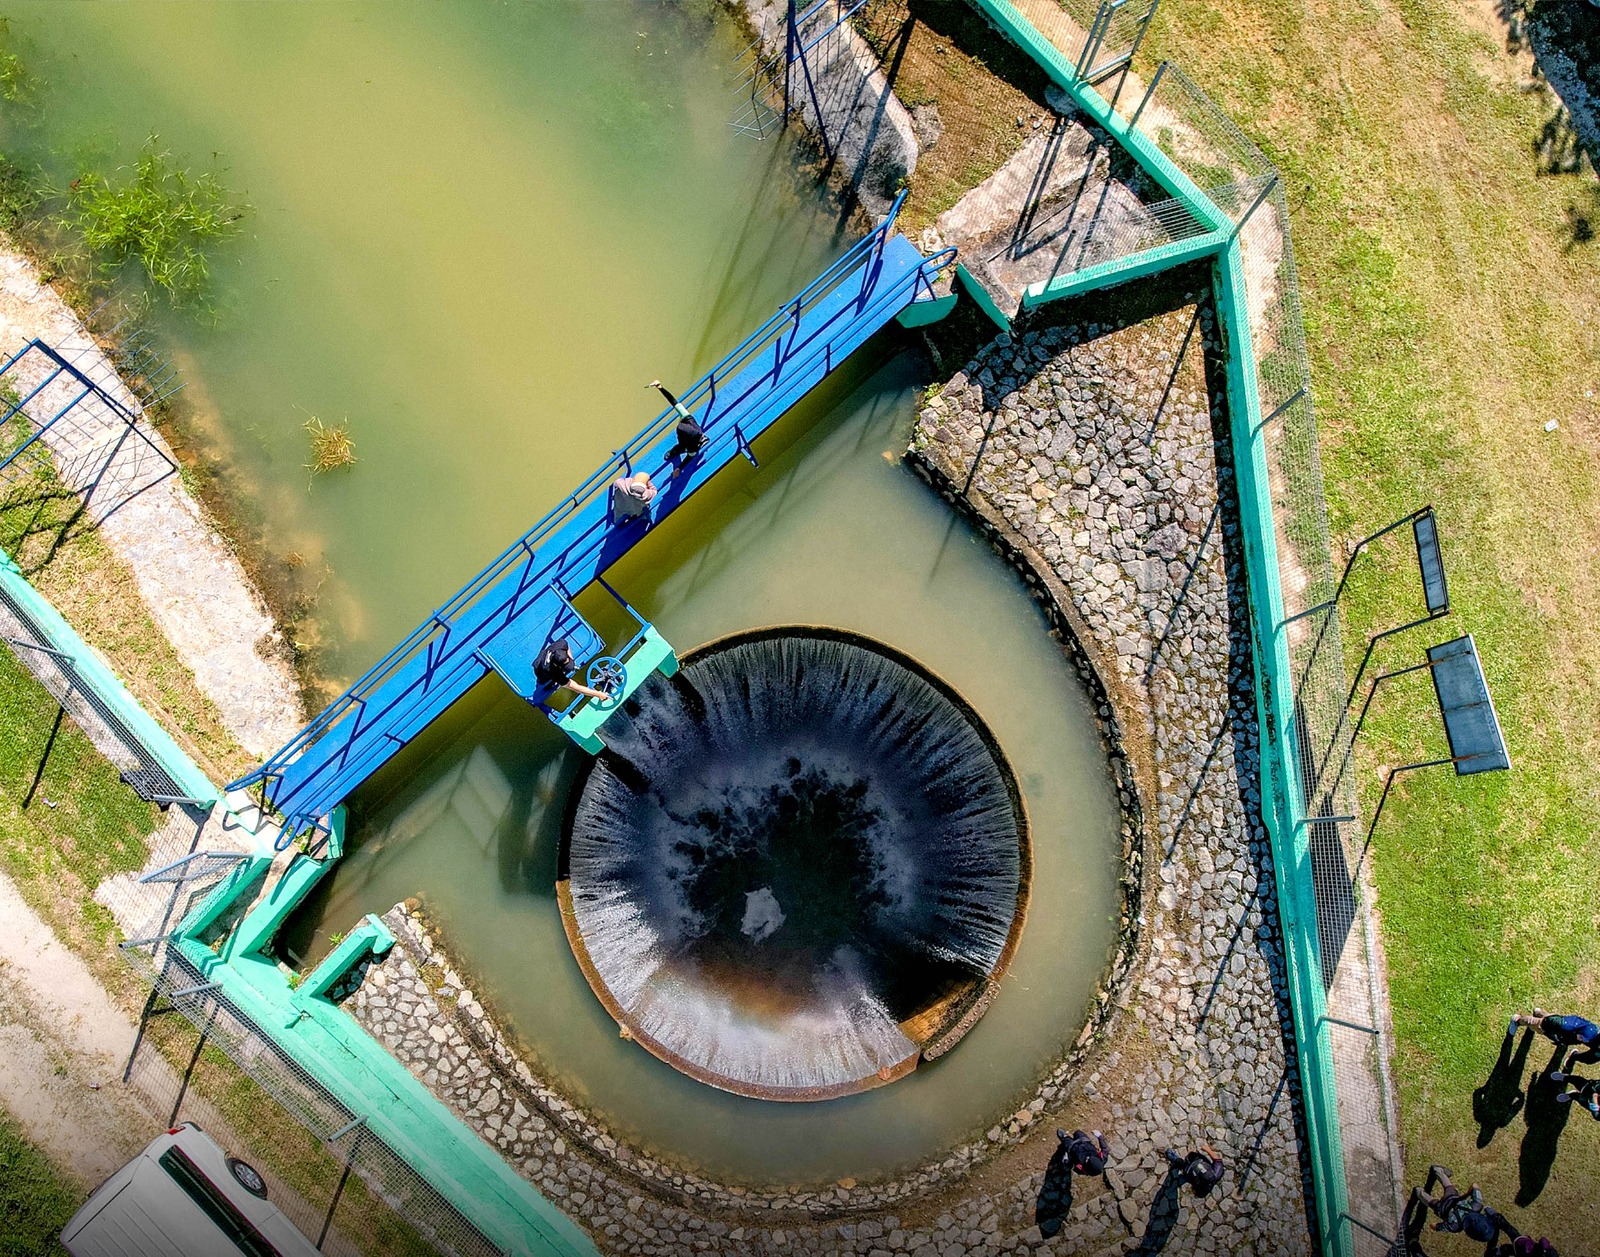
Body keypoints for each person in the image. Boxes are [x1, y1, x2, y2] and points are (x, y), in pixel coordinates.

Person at [1402, 1164, 1498, 1248]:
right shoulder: (1454, 1227)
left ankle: (1437, 1170)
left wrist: (1466, 1195)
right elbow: (1435, 1226)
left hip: (1452, 1197)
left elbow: (1475, 1186)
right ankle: (1418, 1191)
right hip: (1441, 1209)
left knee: (1448, 1186)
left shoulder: (1477, 1205)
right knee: (1427, 1199)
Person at [649, 379, 707, 474]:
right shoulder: (686, 417)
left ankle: (674, 452)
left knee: (679, 448)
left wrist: (679, 468)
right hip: (690, 438)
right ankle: (677, 450)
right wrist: (660, 387)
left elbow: (689, 457)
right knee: (681, 447)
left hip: (687, 445)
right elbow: (673, 401)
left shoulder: (692, 447)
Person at [532, 638, 613, 701]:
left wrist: (571, 659)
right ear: (557, 666)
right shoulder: (552, 671)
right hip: (541, 670)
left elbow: (567, 646)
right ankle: (548, 684)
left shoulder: (561, 645)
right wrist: (598, 694)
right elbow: (575, 687)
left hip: (548, 655)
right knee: (546, 683)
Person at [1509, 1009, 1600, 1065]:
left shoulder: (1589, 1034)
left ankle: (1538, 1012)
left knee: (1544, 1024)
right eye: (1581, 1037)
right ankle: (1517, 1020)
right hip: (1557, 1026)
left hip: (1561, 1031)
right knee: (1538, 1024)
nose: (1581, 1040)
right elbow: (1554, 1021)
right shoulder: (1567, 1025)